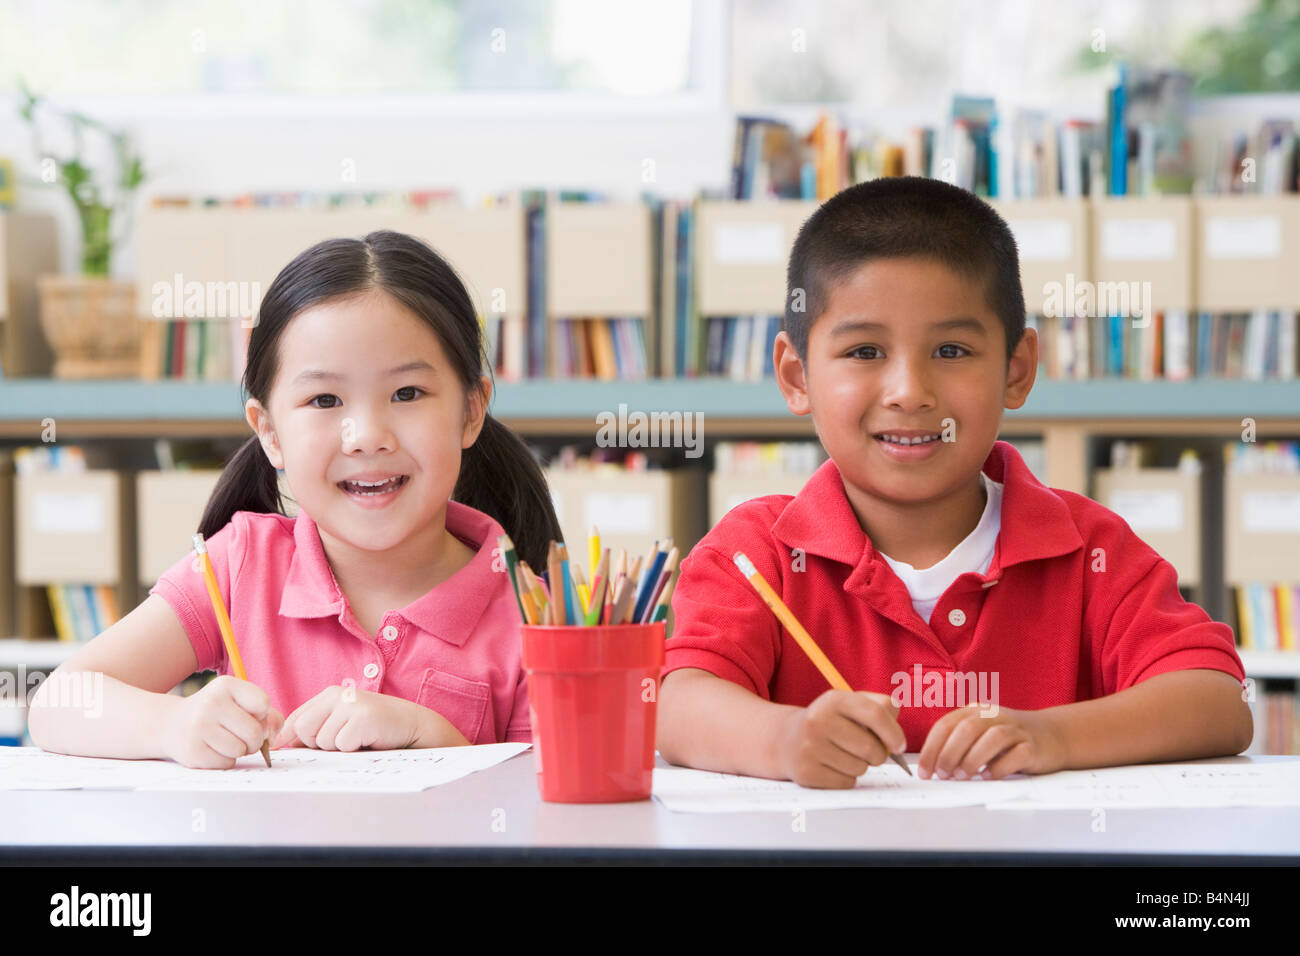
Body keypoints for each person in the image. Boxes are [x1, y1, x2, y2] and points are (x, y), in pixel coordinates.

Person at [657, 176, 1252, 788]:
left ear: (1017, 370)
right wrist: (784, 740)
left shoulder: (1088, 547)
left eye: (951, 351)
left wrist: (1053, 736)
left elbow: (1217, 702)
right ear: (796, 375)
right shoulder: (758, 551)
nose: (910, 392)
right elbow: (676, 706)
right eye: (864, 352)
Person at [29, 230, 560, 768]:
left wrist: (436, 740)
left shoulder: (534, 617)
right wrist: (173, 723)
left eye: (407, 394)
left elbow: (541, 808)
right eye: (324, 399)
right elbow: (60, 701)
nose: (366, 434)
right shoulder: (241, 565)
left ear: (471, 410)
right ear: (271, 433)